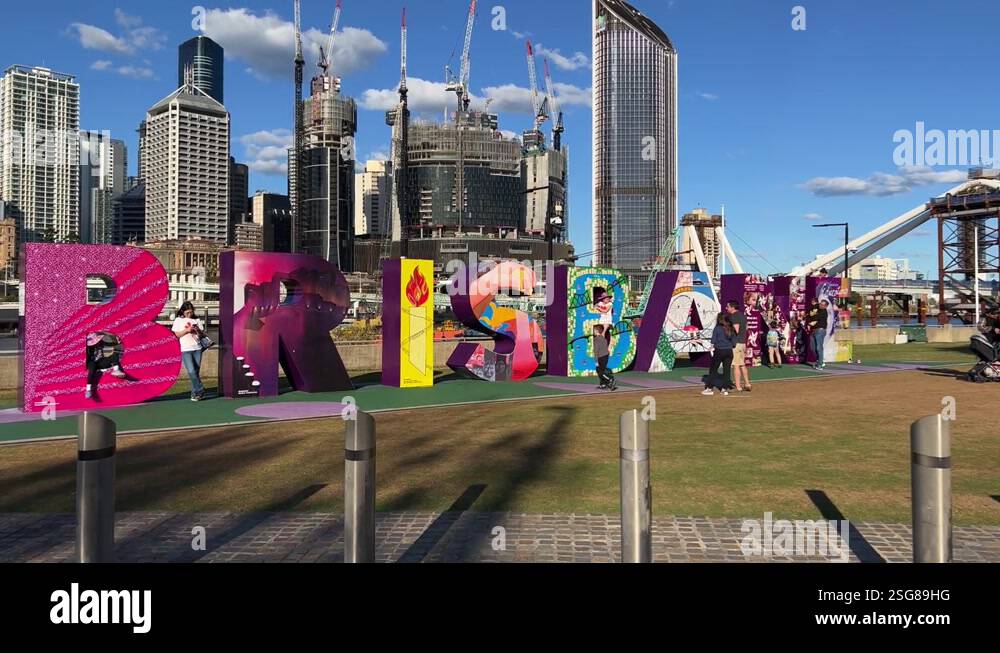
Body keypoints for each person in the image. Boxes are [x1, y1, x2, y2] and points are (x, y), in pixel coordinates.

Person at [84, 332, 135, 402]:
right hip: (93, 363)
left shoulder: (100, 343)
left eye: (97, 341)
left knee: (114, 355)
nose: (97, 343)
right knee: (92, 366)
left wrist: (118, 342)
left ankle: (116, 370)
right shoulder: (88, 349)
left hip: (101, 362)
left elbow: (109, 344)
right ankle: (88, 389)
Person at [173, 301, 207, 401]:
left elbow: (202, 334)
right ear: (182, 311)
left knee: (195, 372)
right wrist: (187, 331)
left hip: (197, 348)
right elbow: (176, 335)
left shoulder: (196, 320)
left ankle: (195, 394)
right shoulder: (178, 320)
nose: (189, 314)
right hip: (185, 349)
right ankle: (200, 389)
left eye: (191, 312)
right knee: (191, 371)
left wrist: (196, 330)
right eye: (187, 312)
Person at [702, 314, 735, 396]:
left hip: (719, 351)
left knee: (713, 370)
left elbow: (713, 340)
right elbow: (734, 343)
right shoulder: (731, 328)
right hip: (729, 351)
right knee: (727, 371)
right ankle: (724, 389)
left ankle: (709, 388)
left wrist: (711, 348)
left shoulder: (717, 328)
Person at [725, 300, 751, 392]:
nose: (726, 308)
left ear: (732, 307)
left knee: (736, 365)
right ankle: (747, 384)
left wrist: (727, 333)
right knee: (742, 364)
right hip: (742, 342)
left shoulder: (734, 316)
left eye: (727, 306)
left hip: (736, 343)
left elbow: (736, 329)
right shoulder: (743, 315)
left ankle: (738, 386)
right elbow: (746, 328)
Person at [591, 323, 617, 391]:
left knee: (601, 372)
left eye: (594, 331)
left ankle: (610, 379)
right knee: (600, 370)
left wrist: (596, 361)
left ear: (596, 331)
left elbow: (596, 351)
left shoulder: (596, 340)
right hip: (605, 356)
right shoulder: (603, 338)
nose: (593, 332)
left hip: (601, 357)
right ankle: (603, 384)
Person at [808, 298, 829, 369]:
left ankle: (819, 365)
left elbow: (814, 317)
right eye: (820, 304)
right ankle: (820, 360)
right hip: (814, 330)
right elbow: (810, 313)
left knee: (819, 347)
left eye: (823, 305)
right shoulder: (817, 308)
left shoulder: (824, 311)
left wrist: (812, 315)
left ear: (825, 306)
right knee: (812, 347)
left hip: (820, 331)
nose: (821, 305)